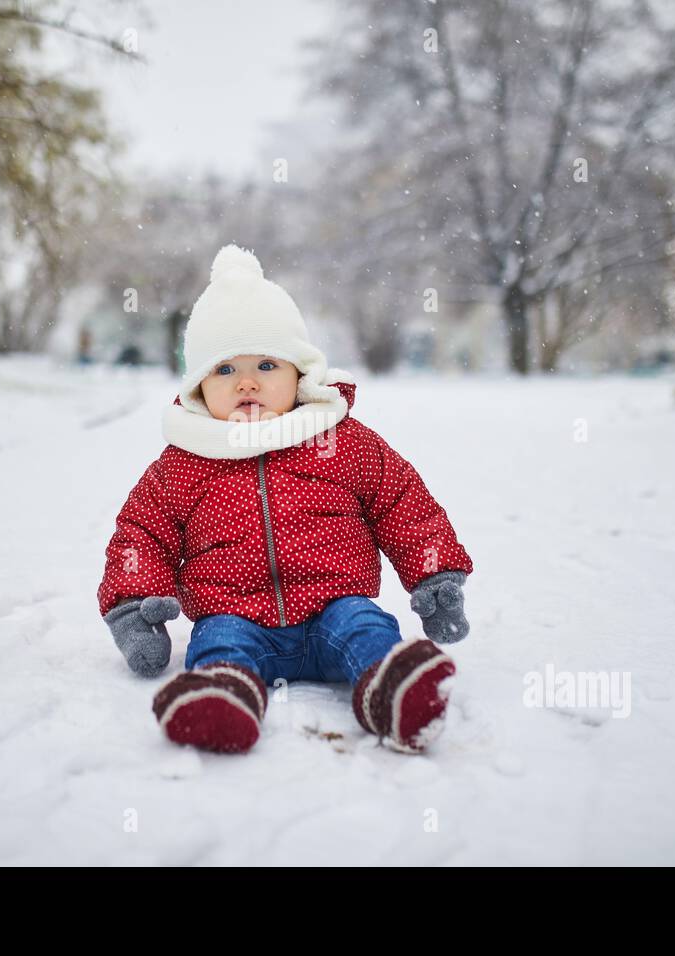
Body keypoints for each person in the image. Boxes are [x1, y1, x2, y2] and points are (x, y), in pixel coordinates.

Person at [97, 244, 474, 755]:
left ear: (300, 373)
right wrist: (133, 609)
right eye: (224, 370)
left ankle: (392, 692)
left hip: (334, 608)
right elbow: (141, 533)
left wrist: (436, 576)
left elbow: (403, 501)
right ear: (199, 385)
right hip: (233, 615)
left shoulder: (337, 439)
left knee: (367, 628)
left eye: (267, 364)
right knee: (219, 645)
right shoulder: (186, 460)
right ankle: (223, 697)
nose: (247, 381)